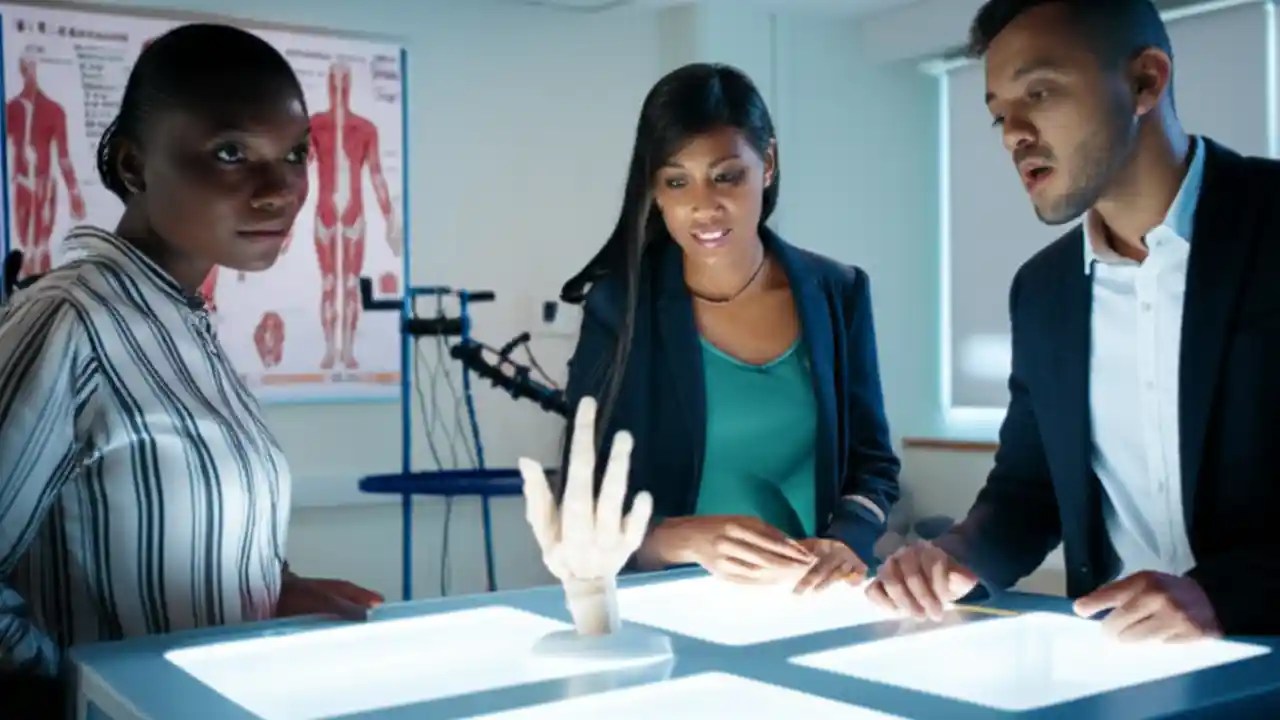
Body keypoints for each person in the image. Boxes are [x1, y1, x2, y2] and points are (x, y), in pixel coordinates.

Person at [0, 24, 382, 717]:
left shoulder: (185, 325)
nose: (279, 190)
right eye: (232, 153)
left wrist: (273, 586)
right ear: (134, 166)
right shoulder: (73, 320)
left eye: (295, 154)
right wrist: (80, 686)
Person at [867, 0, 1280, 641]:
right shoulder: (1043, 291)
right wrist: (953, 557)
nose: (1013, 133)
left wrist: (1219, 597)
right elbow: (1029, 491)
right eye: (1000, 112)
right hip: (1113, 668)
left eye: (1041, 92)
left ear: (1145, 81)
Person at [559, 63, 901, 594]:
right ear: (656, 190)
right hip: (673, 607)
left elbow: (873, 465)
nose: (703, 205)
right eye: (677, 181)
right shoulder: (620, 308)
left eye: (726, 175)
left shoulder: (838, 292)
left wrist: (848, 538)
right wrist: (683, 538)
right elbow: (583, 505)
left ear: (766, 164)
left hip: (812, 600)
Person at [5, 47, 87, 279]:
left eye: (32, 66)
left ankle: (44, 300)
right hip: (22, 183)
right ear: (22, 69)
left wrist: (73, 192)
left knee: (41, 246)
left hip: (44, 185)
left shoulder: (53, 110)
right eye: (26, 67)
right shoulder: (11, 110)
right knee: (25, 248)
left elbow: (63, 156)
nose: (30, 72)